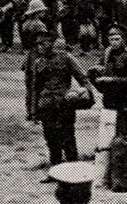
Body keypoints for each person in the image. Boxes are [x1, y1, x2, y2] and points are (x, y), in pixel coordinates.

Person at [32, 33, 92, 169]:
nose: (39, 47)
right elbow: (35, 88)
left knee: (68, 136)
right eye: (37, 44)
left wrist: (83, 93)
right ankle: (55, 168)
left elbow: (83, 79)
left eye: (42, 44)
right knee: (51, 138)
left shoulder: (66, 58)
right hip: (47, 105)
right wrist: (34, 111)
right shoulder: (38, 63)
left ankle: (73, 169)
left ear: (51, 44)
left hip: (64, 104)